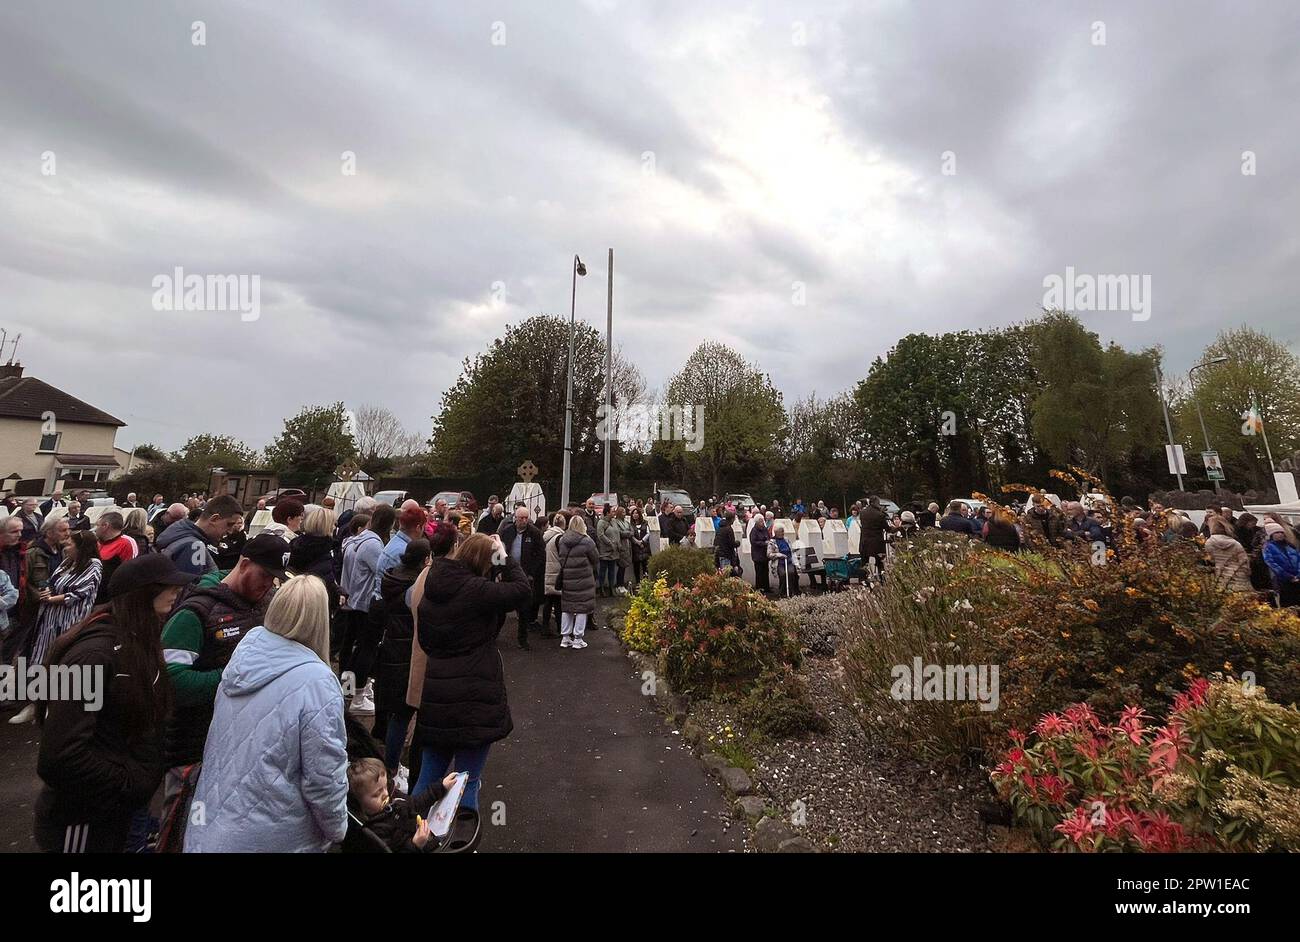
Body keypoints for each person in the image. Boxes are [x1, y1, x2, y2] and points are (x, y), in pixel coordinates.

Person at [33, 555, 195, 853]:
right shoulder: (92, 655)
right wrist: (133, 783)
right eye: (168, 586)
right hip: (81, 818)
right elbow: (60, 755)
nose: (176, 592)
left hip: (116, 810)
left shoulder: (137, 639)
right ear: (143, 593)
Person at [184, 575, 348, 853]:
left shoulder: (245, 656)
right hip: (273, 836)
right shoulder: (317, 682)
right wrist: (338, 828)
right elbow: (324, 777)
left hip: (211, 827)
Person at [156, 533, 289, 851]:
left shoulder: (262, 603)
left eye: (275, 579)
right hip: (191, 753)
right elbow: (171, 681)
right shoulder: (194, 612)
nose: (269, 584)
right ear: (244, 564)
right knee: (184, 835)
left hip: (236, 751)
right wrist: (235, 678)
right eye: (265, 575)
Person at [409, 533, 530, 812]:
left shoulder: (433, 585)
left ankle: (408, 834)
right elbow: (522, 591)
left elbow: (425, 641)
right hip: (474, 694)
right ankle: (462, 839)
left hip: (437, 691)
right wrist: (506, 557)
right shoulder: (476, 590)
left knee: (429, 774)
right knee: (467, 779)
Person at [375, 537, 432, 787]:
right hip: (408, 651)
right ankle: (393, 769)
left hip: (391, 648)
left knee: (396, 712)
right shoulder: (416, 584)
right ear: (425, 559)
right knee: (405, 712)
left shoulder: (392, 576)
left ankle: (392, 764)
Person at [338, 504, 395, 715]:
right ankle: (357, 694)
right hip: (363, 603)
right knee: (365, 649)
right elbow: (382, 572)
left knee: (351, 650)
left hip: (351, 600)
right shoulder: (373, 545)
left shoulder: (357, 539)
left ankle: (348, 690)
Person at [347, 757, 458, 853]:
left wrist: (441, 787)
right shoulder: (377, 830)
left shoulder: (393, 799)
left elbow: (415, 802)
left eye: (385, 787)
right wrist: (415, 844)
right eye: (377, 794)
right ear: (360, 803)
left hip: (425, 838)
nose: (385, 794)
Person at [155, 494, 243, 576]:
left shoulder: (179, 534)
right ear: (214, 519)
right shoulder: (194, 546)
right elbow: (193, 588)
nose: (230, 531)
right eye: (229, 524)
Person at [496, 506, 545, 649]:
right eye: (521, 518)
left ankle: (523, 640)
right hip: (507, 574)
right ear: (515, 518)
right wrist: (498, 570)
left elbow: (541, 555)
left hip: (525, 575)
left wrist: (531, 573)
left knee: (524, 609)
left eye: (526, 518)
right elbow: (498, 551)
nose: (524, 521)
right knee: (501, 608)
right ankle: (494, 634)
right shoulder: (506, 532)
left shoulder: (534, 533)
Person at [557, 515, 599, 648]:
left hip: (568, 578)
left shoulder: (563, 540)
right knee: (582, 607)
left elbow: (561, 558)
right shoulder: (587, 541)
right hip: (584, 578)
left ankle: (565, 637)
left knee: (567, 607)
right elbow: (595, 558)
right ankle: (578, 638)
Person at [288, 507, 340, 609]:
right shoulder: (323, 551)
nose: (334, 527)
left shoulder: (296, 545)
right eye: (333, 524)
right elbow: (325, 579)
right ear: (327, 526)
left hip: (294, 597)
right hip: (316, 602)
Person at [1206, 517, 1252, 593]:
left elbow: (1210, 560)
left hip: (1219, 576)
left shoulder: (1209, 543)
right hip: (1238, 576)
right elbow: (1244, 560)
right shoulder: (1235, 543)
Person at [541, 512, 568, 638]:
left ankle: (545, 627)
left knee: (548, 601)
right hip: (557, 572)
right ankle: (560, 628)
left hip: (548, 570)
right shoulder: (560, 538)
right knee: (557, 603)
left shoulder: (546, 535)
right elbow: (563, 556)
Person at [1262, 522, 1300, 608]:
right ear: (1271, 535)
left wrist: (1298, 574)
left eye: (1281, 532)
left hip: (1297, 578)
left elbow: (1298, 559)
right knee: (1288, 603)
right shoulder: (1268, 547)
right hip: (1283, 580)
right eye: (1277, 532)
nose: (1280, 534)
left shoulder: (1290, 546)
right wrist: (1288, 576)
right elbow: (1272, 563)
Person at [858, 496, 890, 579]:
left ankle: (863, 580)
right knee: (880, 563)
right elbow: (887, 529)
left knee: (864, 563)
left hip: (865, 541)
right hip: (877, 542)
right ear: (876, 502)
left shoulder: (862, 513)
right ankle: (882, 581)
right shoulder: (880, 514)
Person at [596, 505, 619, 597]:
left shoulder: (613, 521)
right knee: (603, 570)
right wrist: (610, 543)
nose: (614, 513)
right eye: (612, 511)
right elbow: (600, 535)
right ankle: (601, 588)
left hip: (614, 551)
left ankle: (611, 588)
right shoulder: (601, 522)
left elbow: (617, 532)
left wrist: (618, 544)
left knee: (612, 571)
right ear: (607, 513)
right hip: (605, 551)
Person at [770, 525, 798, 597]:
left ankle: (791, 592)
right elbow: (769, 554)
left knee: (791, 573)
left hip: (788, 561)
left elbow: (790, 549)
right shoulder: (772, 542)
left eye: (783, 531)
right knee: (783, 575)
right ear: (776, 533)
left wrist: (793, 550)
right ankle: (782, 592)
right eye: (781, 532)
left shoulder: (786, 540)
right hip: (779, 563)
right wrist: (778, 554)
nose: (783, 533)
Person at [749, 512, 770, 594]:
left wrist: (768, 541)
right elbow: (753, 542)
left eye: (763, 521)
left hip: (765, 554)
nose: (762, 523)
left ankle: (767, 588)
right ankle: (759, 589)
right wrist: (764, 543)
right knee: (759, 573)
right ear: (757, 522)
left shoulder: (765, 529)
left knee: (766, 571)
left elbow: (768, 536)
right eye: (761, 521)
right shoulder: (754, 531)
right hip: (757, 555)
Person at [629, 507, 650, 586]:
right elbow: (630, 535)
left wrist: (642, 541)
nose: (635, 515)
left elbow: (648, 533)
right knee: (636, 568)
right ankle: (638, 583)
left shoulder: (645, 523)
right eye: (633, 513)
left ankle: (646, 584)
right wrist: (637, 542)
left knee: (645, 567)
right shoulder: (630, 525)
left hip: (644, 548)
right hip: (635, 549)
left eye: (637, 513)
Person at [715, 510, 740, 575]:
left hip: (720, 554)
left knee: (723, 574)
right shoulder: (729, 529)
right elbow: (731, 543)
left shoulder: (720, 528)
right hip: (727, 555)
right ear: (732, 519)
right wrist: (737, 543)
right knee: (726, 575)